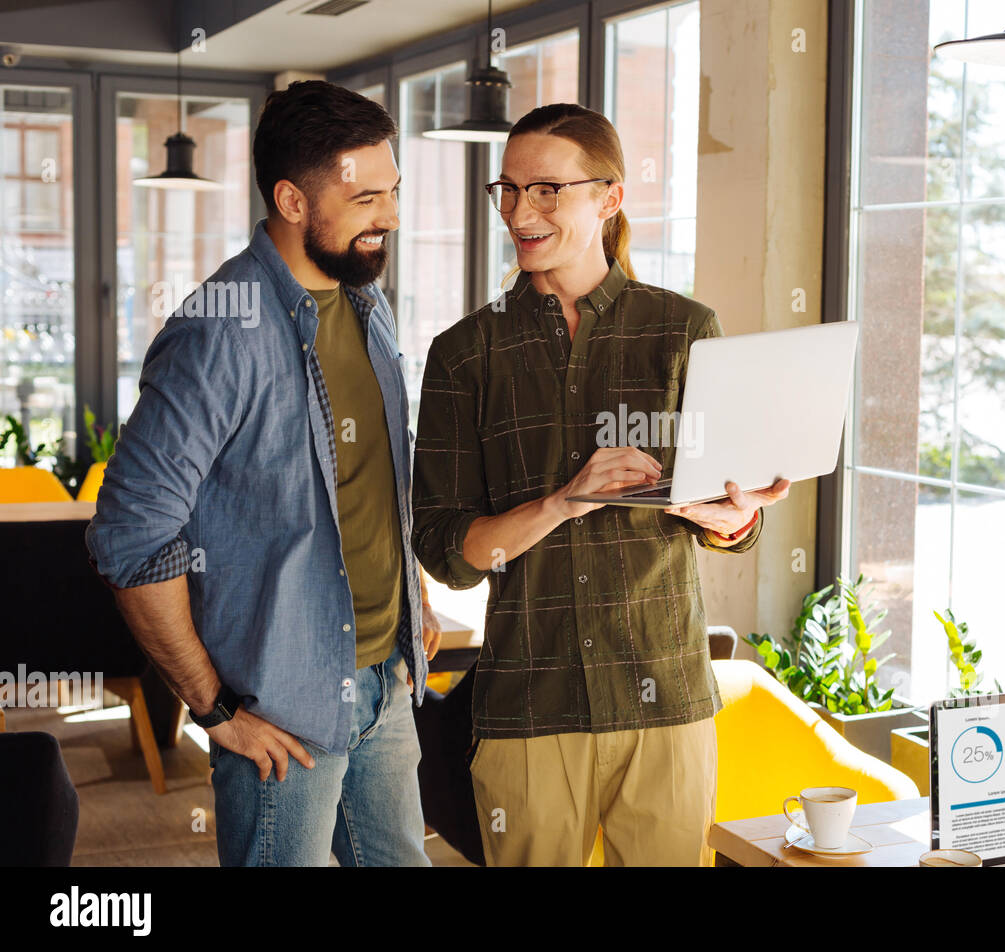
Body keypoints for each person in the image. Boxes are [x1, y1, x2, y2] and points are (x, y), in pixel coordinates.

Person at [412, 102, 790, 866]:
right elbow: (447, 550)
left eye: (547, 190)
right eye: (509, 191)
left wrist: (735, 515)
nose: (521, 211)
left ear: (609, 197)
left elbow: (716, 516)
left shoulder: (683, 331)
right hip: (528, 705)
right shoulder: (464, 354)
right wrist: (563, 501)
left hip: (667, 701)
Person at [86, 80, 439, 867]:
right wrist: (214, 709)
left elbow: (374, 477)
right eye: (367, 197)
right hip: (283, 712)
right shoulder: (218, 333)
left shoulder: (366, 306)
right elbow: (130, 535)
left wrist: (408, 589)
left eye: (394, 192)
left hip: (386, 682)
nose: (389, 215)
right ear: (291, 199)